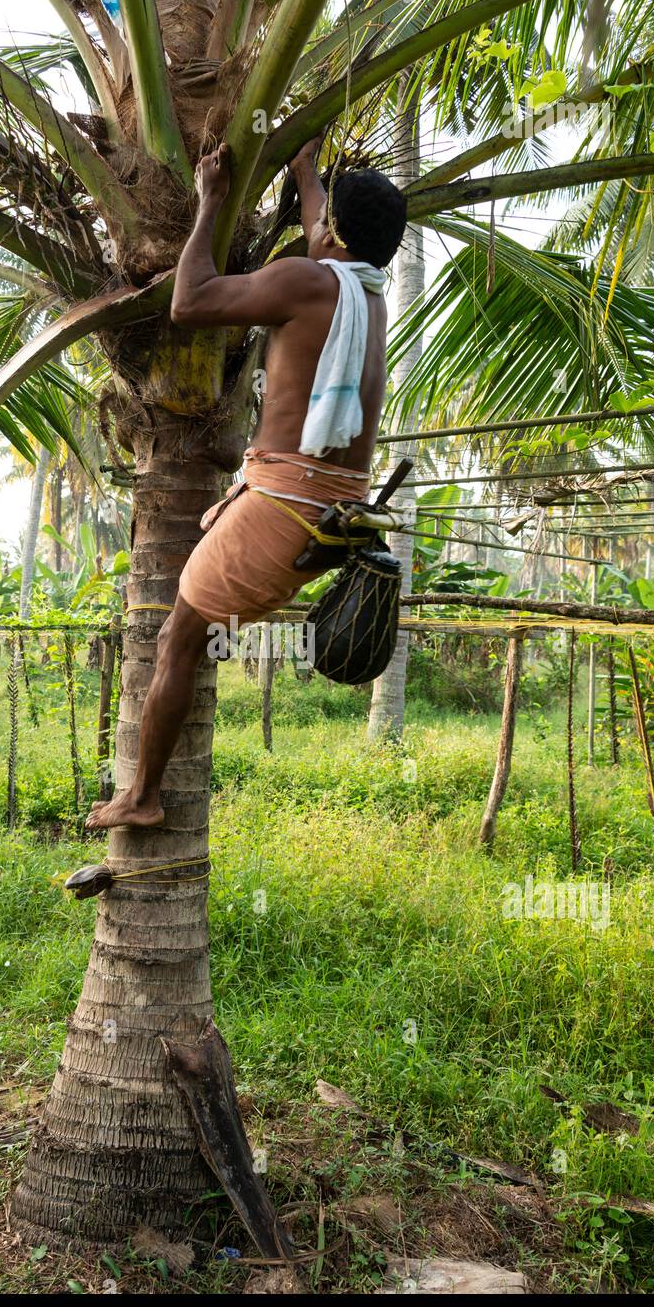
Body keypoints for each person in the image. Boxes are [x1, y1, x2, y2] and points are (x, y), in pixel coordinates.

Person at [85, 139, 407, 830]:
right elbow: (331, 232)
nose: (315, 226)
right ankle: (142, 789)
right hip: (327, 506)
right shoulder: (366, 294)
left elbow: (190, 301)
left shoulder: (308, 281)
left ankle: (140, 798)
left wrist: (209, 202)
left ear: (331, 235)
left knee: (178, 636)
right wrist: (304, 172)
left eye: (322, 220)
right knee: (192, 634)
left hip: (283, 507)